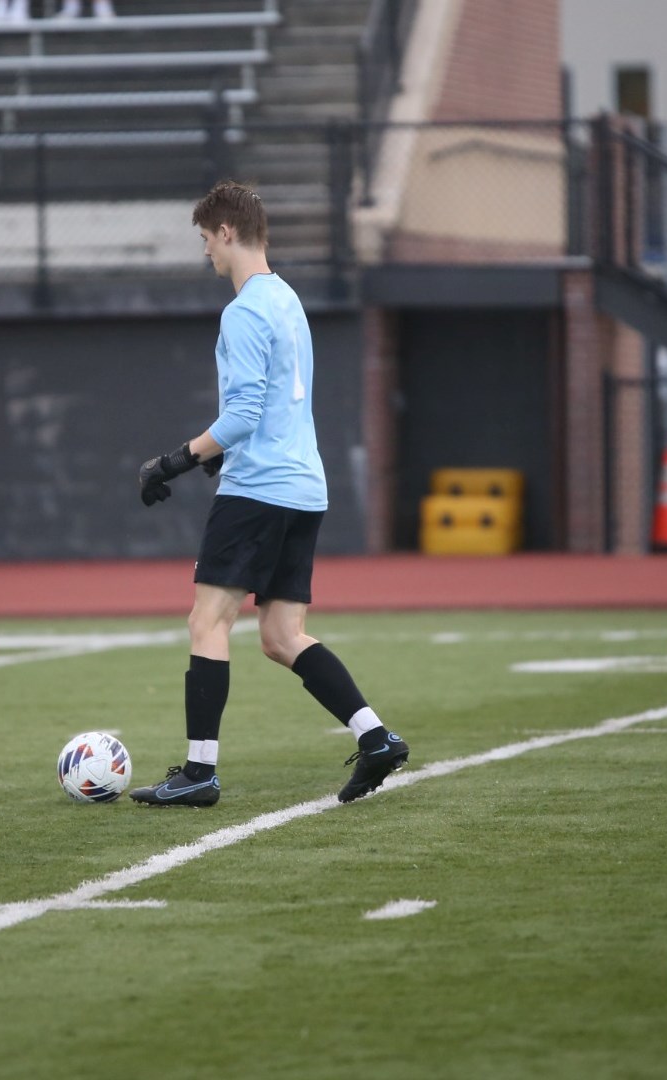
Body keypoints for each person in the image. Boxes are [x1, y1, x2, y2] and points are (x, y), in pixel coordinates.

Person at [129, 180, 411, 808]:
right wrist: (222, 452)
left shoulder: (243, 310)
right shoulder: (286, 299)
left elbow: (243, 414)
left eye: (207, 238)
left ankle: (199, 772)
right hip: (303, 489)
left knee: (208, 620)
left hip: (257, 489)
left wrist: (174, 462)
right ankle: (376, 738)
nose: (206, 251)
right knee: (282, 635)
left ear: (227, 232)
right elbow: (274, 405)